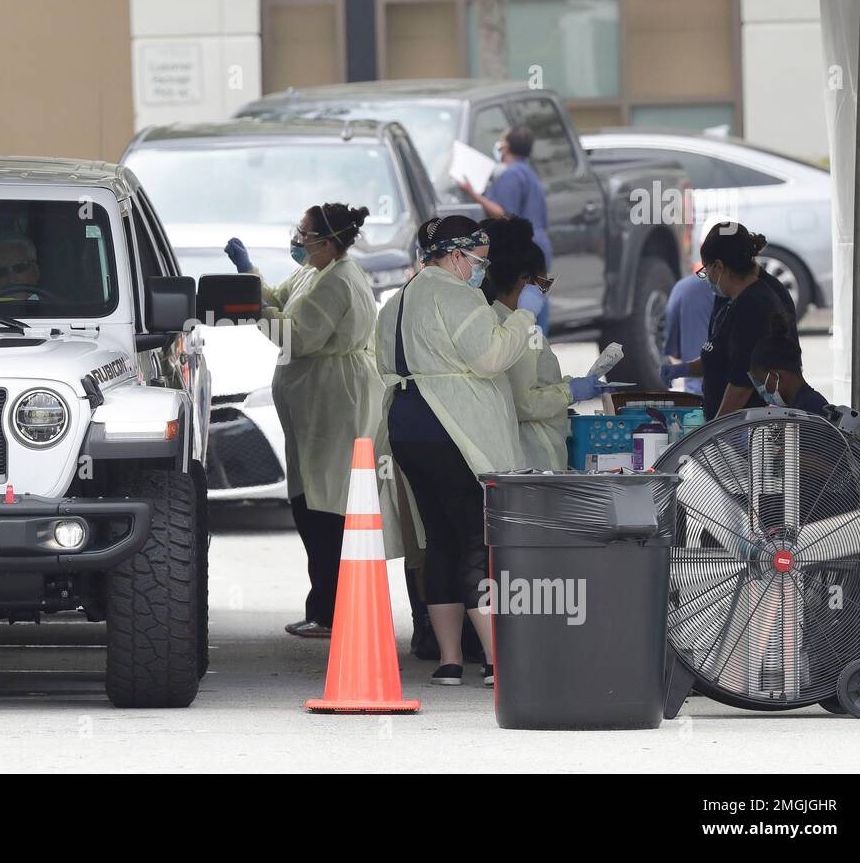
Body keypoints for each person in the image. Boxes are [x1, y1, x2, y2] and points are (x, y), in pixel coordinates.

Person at [375, 214, 540, 685]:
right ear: (453, 255)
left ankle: (450, 660)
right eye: (477, 260)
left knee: (439, 540)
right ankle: (494, 661)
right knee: (476, 536)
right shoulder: (455, 294)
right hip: (452, 427)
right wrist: (524, 315)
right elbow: (489, 357)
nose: (481, 270)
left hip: (407, 425)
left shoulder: (397, 300)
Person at [224, 203, 383, 639]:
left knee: (325, 506)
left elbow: (293, 334)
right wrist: (248, 272)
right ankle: (325, 606)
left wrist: (252, 308)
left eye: (306, 234)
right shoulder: (317, 271)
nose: (299, 239)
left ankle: (330, 611)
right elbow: (279, 299)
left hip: (333, 399)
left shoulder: (337, 281)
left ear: (328, 242)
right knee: (312, 497)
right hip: (313, 397)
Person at [484, 217, 604, 471]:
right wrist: (570, 392)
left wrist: (569, 385)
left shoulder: (503, 320)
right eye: (544, 284)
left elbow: (536, 383)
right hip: (533, 454)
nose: (545, 293)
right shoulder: (516, 329)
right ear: (524, 281)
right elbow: (522, 402)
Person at [660, 222, 796, 419]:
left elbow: (743, 380)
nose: (706, 278)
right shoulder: (728, 297)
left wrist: (715, 427)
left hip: (746, 424)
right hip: (726, 421)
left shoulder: (756, 305)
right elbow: (719, 356)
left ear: (719, 266)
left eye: (705, 270)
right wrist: (683, 369)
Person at [459, 125, 552, 332]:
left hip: (522, 251)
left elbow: (502, 213)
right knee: (537, 301)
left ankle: (524, 351)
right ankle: (538, 347)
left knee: (522, 308)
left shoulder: (512, 175)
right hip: (539, 247)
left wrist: (473, 193)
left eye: (501, 140)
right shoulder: (529, 173)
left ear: (506, 147)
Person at [749, 312, 830, 415]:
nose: (763, 392)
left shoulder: (810, 407)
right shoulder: (799, 405)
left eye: (762, 383)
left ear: (775, 376)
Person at [663, 272, 716, 396]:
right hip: (739, 399)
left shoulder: (683, 287)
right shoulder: (747, 292)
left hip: (696, 397)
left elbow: (673, 351)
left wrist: (680, 371)